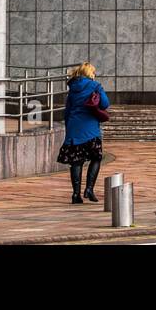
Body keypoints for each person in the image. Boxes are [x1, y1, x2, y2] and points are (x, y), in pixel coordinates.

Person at [57, 62, 110, 204]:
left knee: (76, 161)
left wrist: (69, 129)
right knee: (96, 158)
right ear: (89, 73)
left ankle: (75, 195)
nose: (95, 75)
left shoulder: (72, 88)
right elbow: (104, 104)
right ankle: (89, 189)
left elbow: (67, 110)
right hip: (91, 129)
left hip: (74, 129)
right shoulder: (95, 86)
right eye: (94, 72)